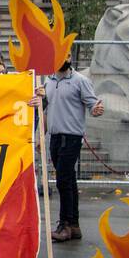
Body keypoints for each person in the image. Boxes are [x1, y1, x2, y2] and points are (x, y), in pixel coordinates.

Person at [37, 59, 104, 242]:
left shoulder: (80, 81)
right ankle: (74, 225)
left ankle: (65, 224)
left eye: (67, 53)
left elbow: (93, 105)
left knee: (63, 181)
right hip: (55, 137)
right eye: (61, 53)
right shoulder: (48, 82)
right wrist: (40, 135)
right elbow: (45, 110)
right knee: (69, 181)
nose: (66, 57)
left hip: (71, 137)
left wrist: (97, 109)